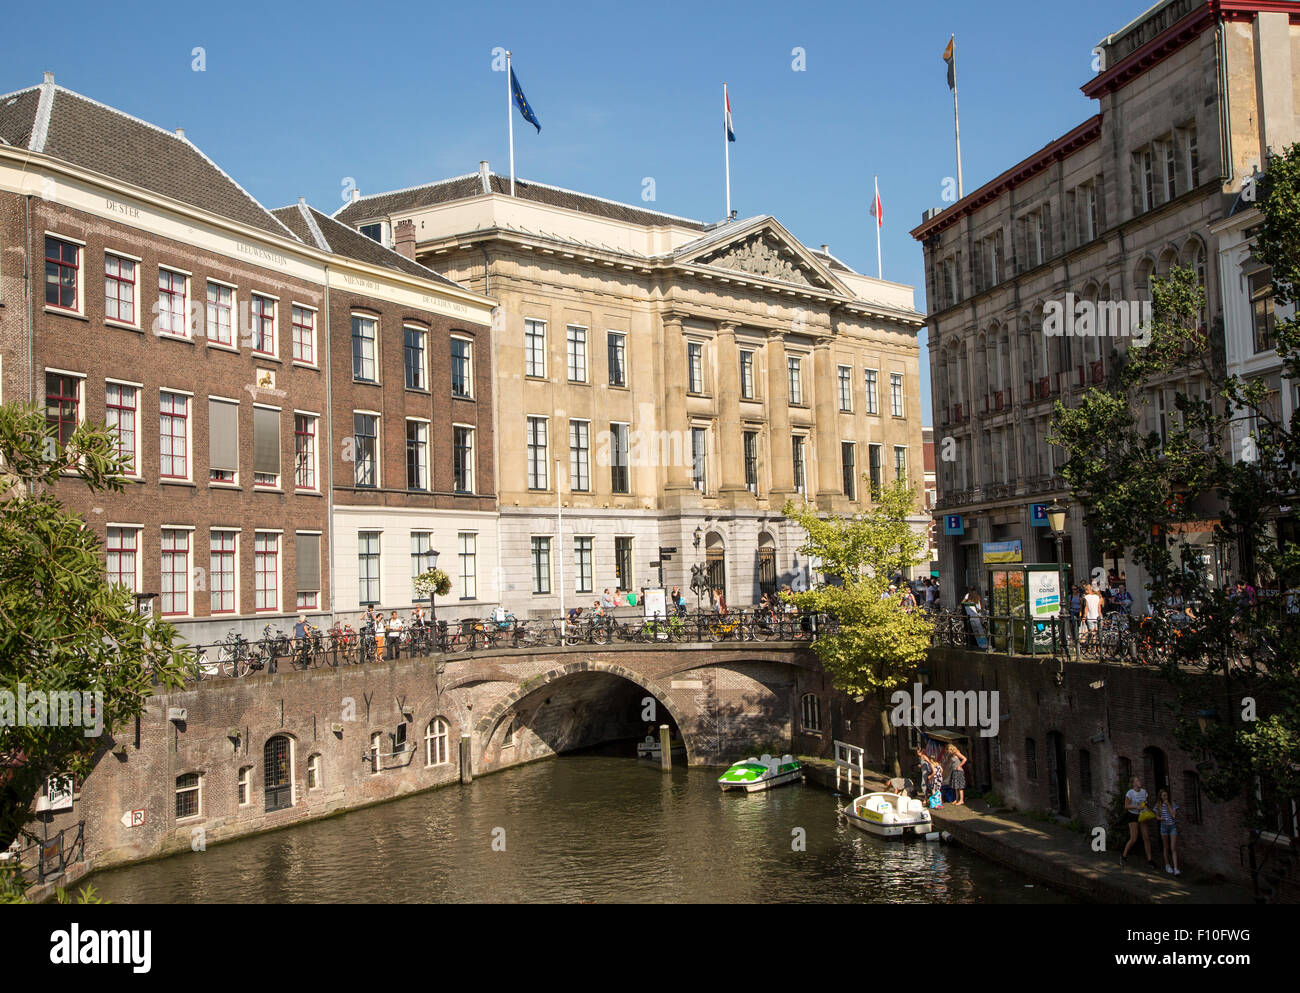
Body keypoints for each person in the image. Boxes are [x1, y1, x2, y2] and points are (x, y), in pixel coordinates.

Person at [1121, 775, 1157, 869]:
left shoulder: (1144, 792)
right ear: (1133, 784)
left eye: (1139, 780)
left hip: (1142, 814)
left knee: (1146, 837)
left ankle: (1149, 860)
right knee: (1134, 838)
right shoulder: (1130, 793)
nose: (1139, 782)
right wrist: (1136, 807)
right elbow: (1126, 806)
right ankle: (1124, 856)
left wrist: (1144, 807)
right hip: (1132, 815)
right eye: (1137, 781)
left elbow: (1145, 802)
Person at [1156, 787, 1181, 875]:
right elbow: (1157, 816)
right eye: (1164, 796)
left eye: (1166, 795)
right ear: (1161, 797)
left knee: (1173, 847)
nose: (1165, 797)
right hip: (1164, 827)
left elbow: (1174, 815)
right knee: (1166, 847)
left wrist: (1168, 805)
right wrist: (1160, 818)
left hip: (1172, 827)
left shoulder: (1172, 804)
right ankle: (1167, 865)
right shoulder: (1158, 805)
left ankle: (1176, 868)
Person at [1082, 583, 1103, 648]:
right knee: (1097, 633)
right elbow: (1099, 608)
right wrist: (1100, 617)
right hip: (1097, 617)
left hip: (1090, 617)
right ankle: (1099, 648)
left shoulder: (1086, 597)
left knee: (1092, 633)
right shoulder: (1097, 597)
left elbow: (1086, 608)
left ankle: (1094, 647)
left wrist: (1084, 617)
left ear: (1088, 590)